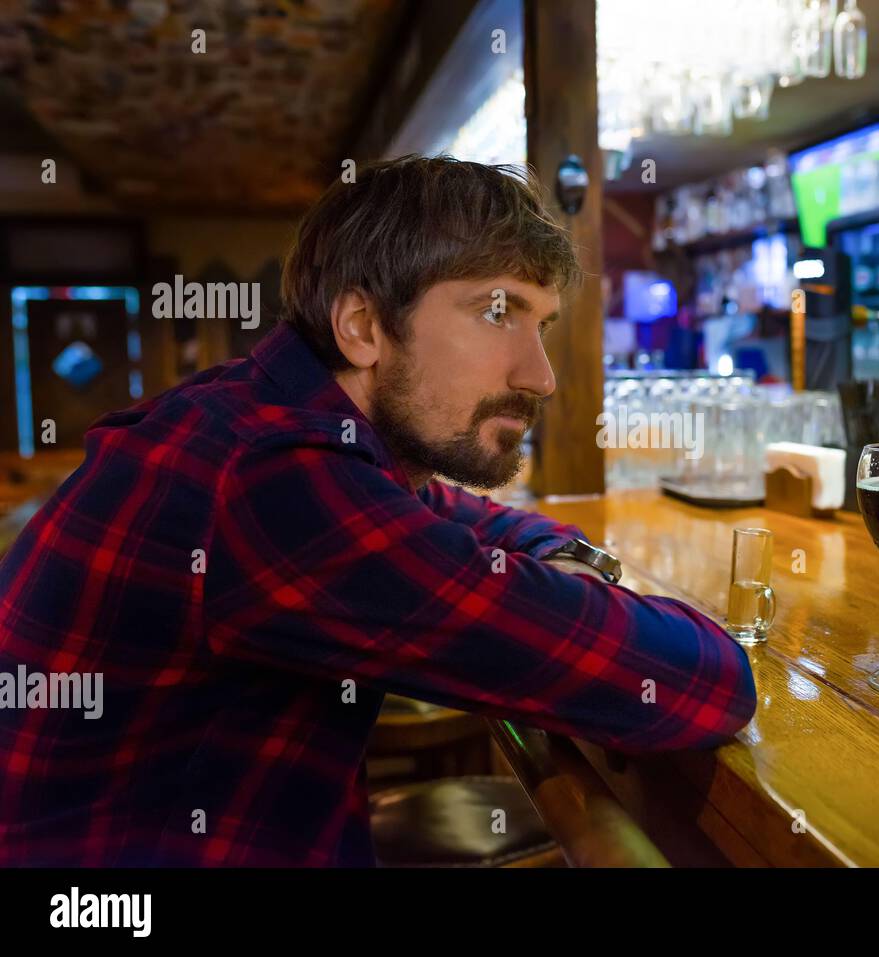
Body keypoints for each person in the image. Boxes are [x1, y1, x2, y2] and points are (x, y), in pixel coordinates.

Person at [0, 155, 757, 866]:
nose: (542, 375)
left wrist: (571, 565)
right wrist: (566, 594)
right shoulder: (270, 484)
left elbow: (471, 519)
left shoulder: (275, 421)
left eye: (543, 324)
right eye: (499, 312)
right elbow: (708, 679)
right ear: (363, 327)